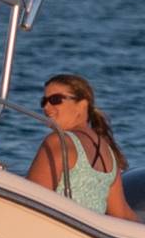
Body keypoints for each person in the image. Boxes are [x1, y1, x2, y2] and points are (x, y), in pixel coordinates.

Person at [25, 72, 137, 220]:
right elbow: (122, 213)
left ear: (82, 105)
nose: (46, 107)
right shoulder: (107, 151)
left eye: (55, 99)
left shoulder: (59, 142)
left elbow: (30, 198)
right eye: (43, 101)